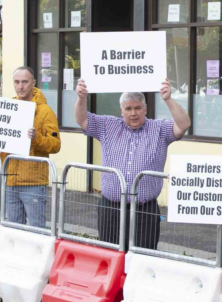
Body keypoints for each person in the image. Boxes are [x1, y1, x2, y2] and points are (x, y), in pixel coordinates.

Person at [74, 79, 188, 249]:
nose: (133, 113)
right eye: (128, 109)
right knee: (111, 257)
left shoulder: (160, 129)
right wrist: (81, 98)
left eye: (137, 108)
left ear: (145, 109)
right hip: (111, 208)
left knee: (142, 259)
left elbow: (184, 124)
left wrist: (168, 99)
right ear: (122, 111)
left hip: (144, 210)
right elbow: (82, 120)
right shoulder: (108, 125)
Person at [0, 66, 61, 227]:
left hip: (33, 182)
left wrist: (37, 138)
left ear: (33, 83)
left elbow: (56, 145)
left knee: (37, 229)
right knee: (14, 229)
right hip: (10, 179)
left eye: (24, 82)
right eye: (16, 82)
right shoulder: (8, 107)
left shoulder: (45, 111)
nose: (20, 86)